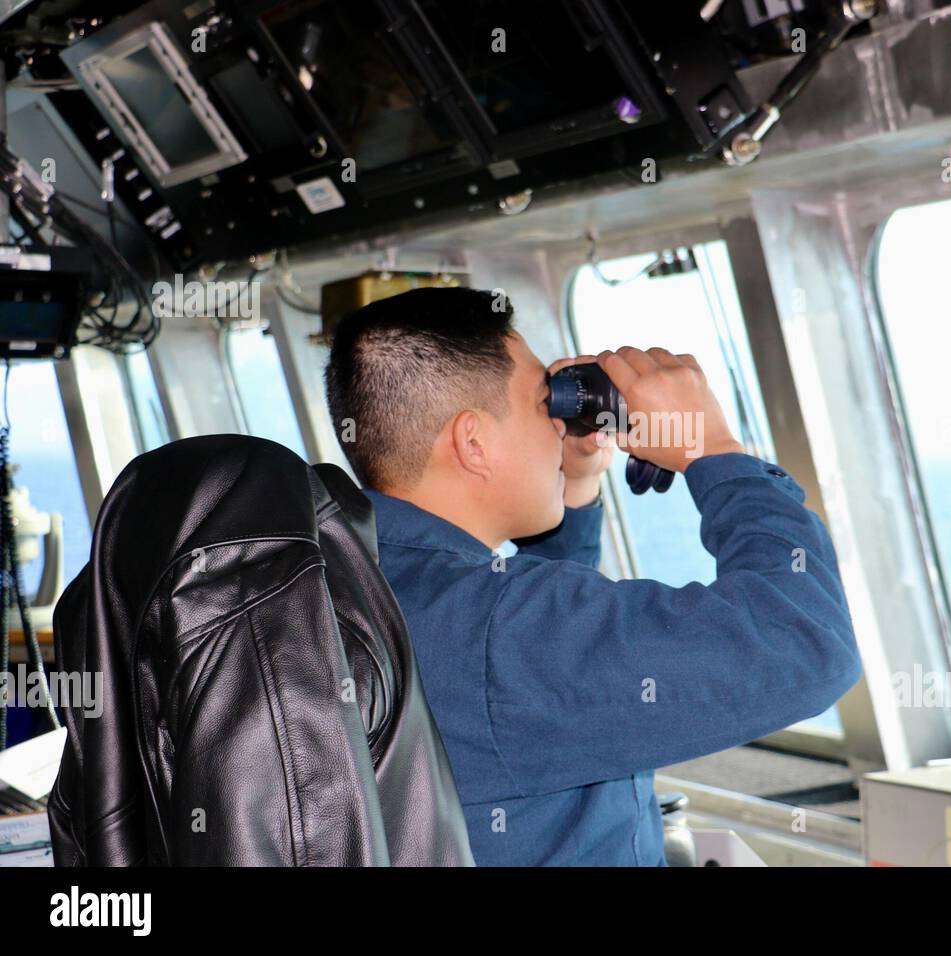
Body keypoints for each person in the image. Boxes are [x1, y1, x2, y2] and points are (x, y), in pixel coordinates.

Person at [324, 286, 862, 866]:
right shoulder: (502, 631)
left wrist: (573, 483)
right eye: (543, 403)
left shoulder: (351, 574)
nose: (560, 424)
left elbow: (532, 669)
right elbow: (805, 644)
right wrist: (713, 450)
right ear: (473, 441)